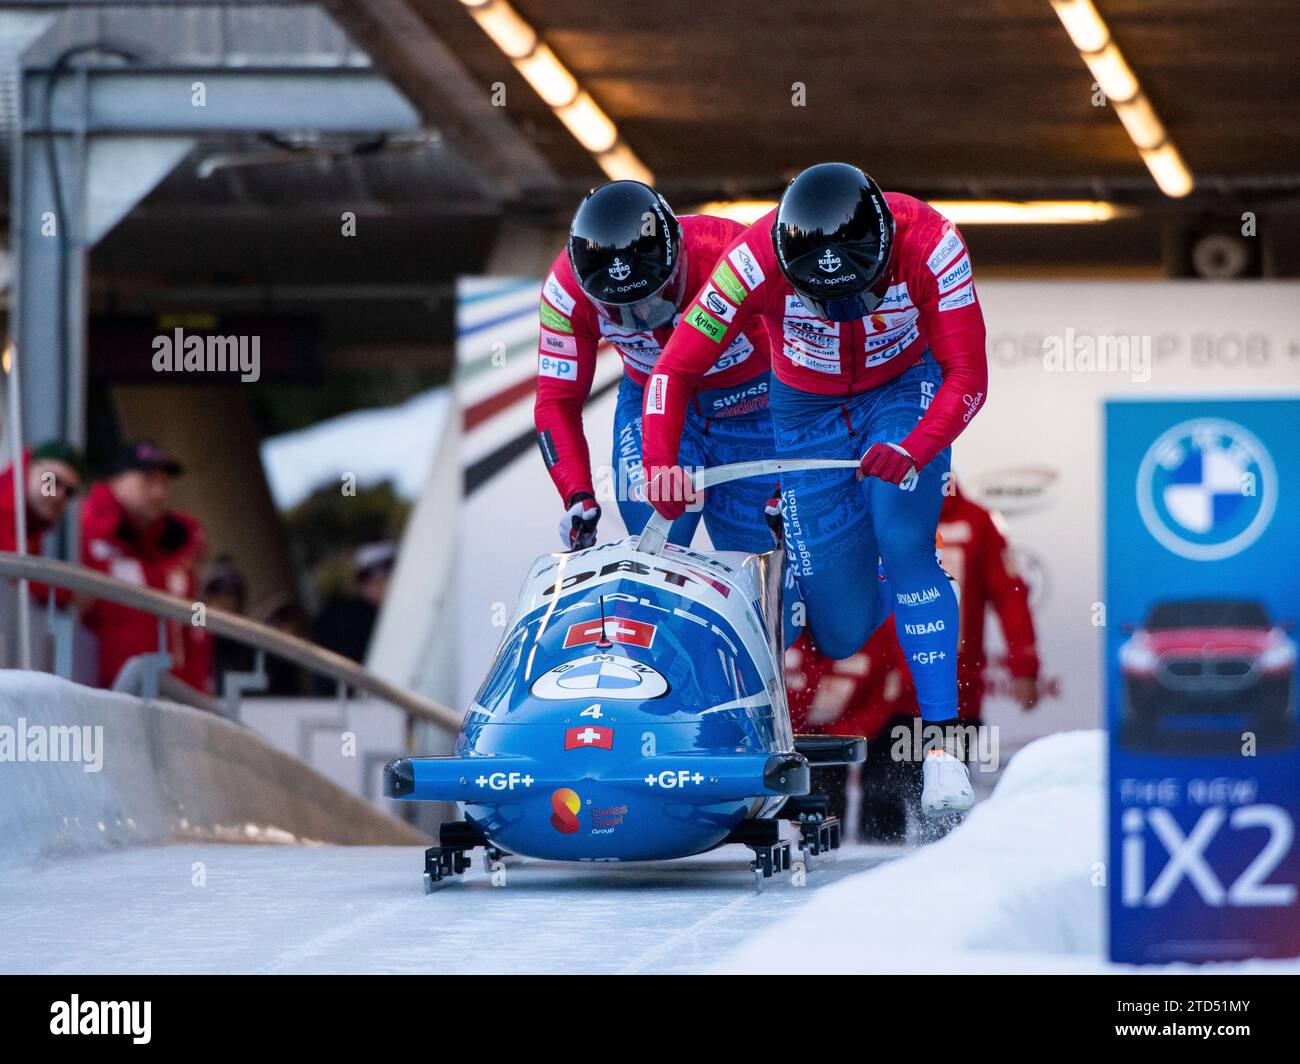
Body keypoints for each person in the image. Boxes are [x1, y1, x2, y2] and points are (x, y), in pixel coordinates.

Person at [641, 162, 989, 819]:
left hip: (902, 390)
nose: (840, 311)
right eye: (822, 300)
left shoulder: (934, 245)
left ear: (886, 252)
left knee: (903, 539)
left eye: (858, 293)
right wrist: (660, 460)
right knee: (839, 628)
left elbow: (968, 373)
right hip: (806, 412)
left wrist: (914, 448)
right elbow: (674, 367)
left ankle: (942, 751)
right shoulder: (751, 261)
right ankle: (903, 598)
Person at [534, 179, 777, 553]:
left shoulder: (731, 256)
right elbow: (556, 401)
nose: (644, 316)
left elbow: (792, 371)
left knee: (758, 557)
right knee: (654, 552)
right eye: (621, 311)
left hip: (755, 412)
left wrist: (787, 482)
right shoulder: (564, 292)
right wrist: (577, 492)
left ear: (679, 255)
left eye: (657, 295)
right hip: (652, 408)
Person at [788, 488, 1043, 839]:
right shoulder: (870, 512)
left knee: (943, 815)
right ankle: (853, 887)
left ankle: (943, 886)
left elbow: (1011, 595)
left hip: (948, 699)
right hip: (875, 696)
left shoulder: (979, 523)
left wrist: (1024, 666)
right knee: (877, 811)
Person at [80, 440, 212, 692]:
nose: (159, 493)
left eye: (163, 483)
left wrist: (200, 692)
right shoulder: (86, 534)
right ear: (116, 481)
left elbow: (197, 623)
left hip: (175, 695)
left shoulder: (179, 546)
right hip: (112, 699)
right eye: (148, 481)